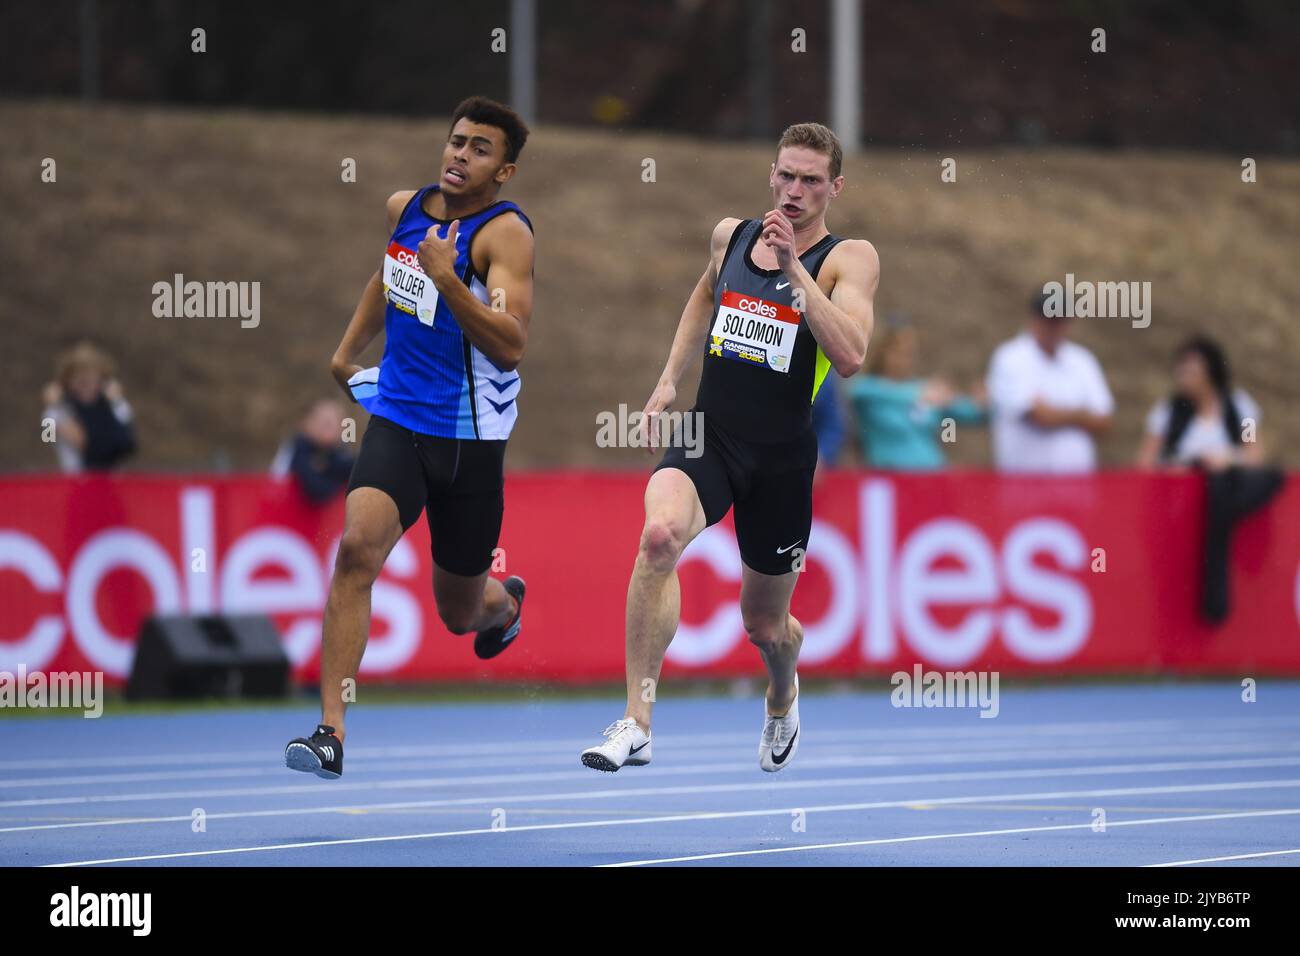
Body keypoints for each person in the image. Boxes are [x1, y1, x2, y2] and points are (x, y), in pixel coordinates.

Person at [580, 122, 879, 773]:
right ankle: (637, 720)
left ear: (835, 187)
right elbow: (702, 295)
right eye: (786, 175)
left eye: (810, 180)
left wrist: (798, 272)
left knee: (766, 628)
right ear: (771, 173)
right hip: (708, 434)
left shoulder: (847, 258)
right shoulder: (732, 236)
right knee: (658, 538)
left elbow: (852, 355)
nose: (794, 191)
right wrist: (667, 378)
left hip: (781, 459)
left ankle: (782, 694)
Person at [285, 96, 536, 778]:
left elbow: (511, 345)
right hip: (397, 421)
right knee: (355, 551)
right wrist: (345, 355)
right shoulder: (407, 207)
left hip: (469, 443)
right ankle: (330, 732)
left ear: (503, 171)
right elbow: (387, 278)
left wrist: (450, 280)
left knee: (459, 614)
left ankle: (502, 603)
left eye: (480, 149)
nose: (460, 154)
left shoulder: (504, 235)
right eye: (457, 141)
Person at [1136, 335, 1282, 622]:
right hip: (1178, 513)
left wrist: (1227, 459)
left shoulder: (1241, 409)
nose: (1183, 376)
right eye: (1181, 369)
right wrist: (1183, 468)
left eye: (1191, 369)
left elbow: (1254, 456)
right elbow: (1145, 463)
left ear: (1210, 372)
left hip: (1222, 509)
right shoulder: (1168, 413)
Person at [986, 291, 1114, 472]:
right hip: (1025, 485)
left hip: (1075, 486)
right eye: (1051, 320)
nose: (1056, 327)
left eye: (1062, 320)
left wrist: (1055, 411)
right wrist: (1082, 415)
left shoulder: (1083, 360)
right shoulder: (1009, 358)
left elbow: (1104, 422)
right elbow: (1039, 416)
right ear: (1035, 319)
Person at [849, 316, 986, 469]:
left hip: (931, 477)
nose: (905, 358)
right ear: (881, 352)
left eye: (910, 352)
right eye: (899, 351)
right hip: (890, 479)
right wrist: (919, 394)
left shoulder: (925, 389)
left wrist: (983, 405)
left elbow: (966, 411)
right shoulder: (868, 389)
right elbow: (857, 391)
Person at [41, 341, 137, 473]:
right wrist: (55, 409)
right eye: (82, 382)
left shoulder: (114, 406)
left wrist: (117, 401)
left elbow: (128, 443)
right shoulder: (57, 412)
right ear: (68, 382)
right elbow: (48, 439)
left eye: (93, 380)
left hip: (111, 481)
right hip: (76, 480)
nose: (88, 387)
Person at [270, 398, 357, 505]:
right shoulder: (299, 447)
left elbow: (353, 471)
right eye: (324, 423)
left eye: (334, 423)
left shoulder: (340, 451)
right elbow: (314, 488)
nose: (329, 429)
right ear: (308, 423)